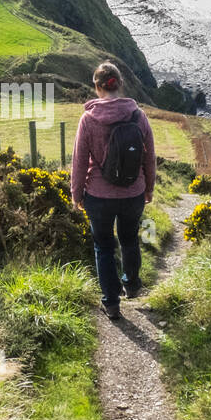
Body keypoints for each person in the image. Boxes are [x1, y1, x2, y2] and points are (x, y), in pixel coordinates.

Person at [70, 61, 156, 319]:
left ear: (97, 87)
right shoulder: (138, 116)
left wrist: (76, 195)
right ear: (120, 84)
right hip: (133, 193)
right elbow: (149, 157)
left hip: (98, 195)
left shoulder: (88, 119)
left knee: (104, 246)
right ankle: (131, 285)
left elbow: (79, 160)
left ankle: (111, 303)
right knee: (130, 240)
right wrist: (148, 188)